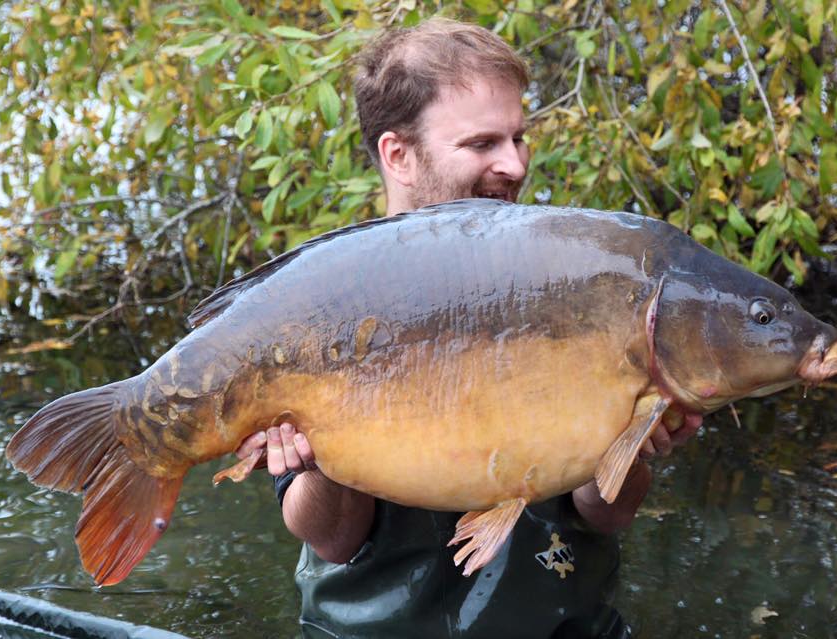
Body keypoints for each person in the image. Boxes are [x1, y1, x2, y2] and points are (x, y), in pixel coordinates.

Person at [237, 18, 701, 638]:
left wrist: (633, 444)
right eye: (483, 144)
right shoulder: (323, 300)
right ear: (398, 155)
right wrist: (318, 464)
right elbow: (335, 541)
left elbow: (605, 514)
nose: (513, 164)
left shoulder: (572, 275)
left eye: (518, 138)